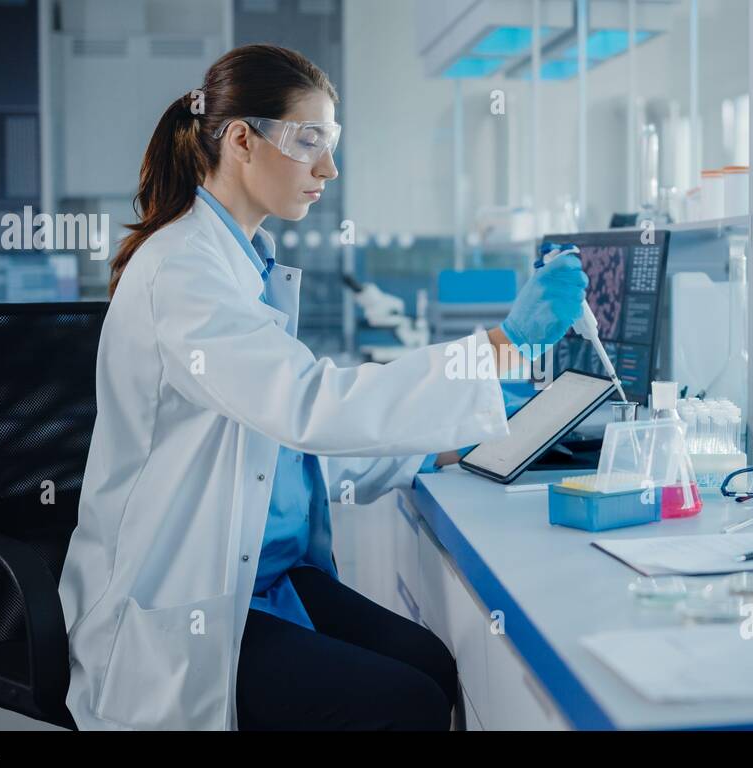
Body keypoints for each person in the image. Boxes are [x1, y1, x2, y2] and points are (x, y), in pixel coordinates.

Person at [57, 45, 586, 731]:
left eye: (329, 142)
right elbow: (307, 405)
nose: (327, 168)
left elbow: (282, 446)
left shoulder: (245, 265)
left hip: (257, 578)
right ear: (243, 140)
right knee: (407, 702)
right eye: (309, 141)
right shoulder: (182, 272)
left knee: (430, 664)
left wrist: (448, 442)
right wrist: (500, 351)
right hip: (185, 607)